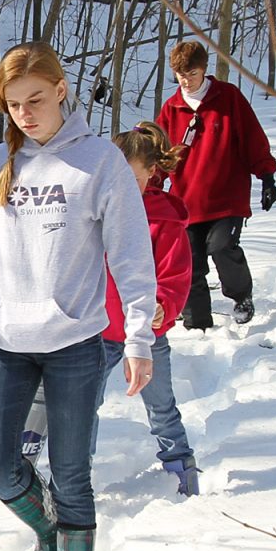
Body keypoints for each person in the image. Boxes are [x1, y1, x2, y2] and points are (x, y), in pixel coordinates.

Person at [0, 41, 158, 551]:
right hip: (6, 341)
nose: (25, 115)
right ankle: (51, 539)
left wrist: (140, 335)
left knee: (70, 473)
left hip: (75, 343)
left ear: (62, 90)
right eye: (13, 106)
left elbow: (131, 258)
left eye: (35, 100)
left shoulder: (99, 164)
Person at [155, 40, 276, 329]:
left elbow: (253, 140)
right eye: (180, 75)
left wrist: (267, 177)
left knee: (222, 247)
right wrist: (150, 187)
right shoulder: (171, 108)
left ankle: (241, 296)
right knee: (190, 261)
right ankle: (196, 322)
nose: (186, 81)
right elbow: (159, 156)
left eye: (192, 74)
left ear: (204, 70)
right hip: (186, 201)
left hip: (227, 198)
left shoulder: (228, 98)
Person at [107, 123, 198, 494]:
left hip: (147, 333)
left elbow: (175, 274)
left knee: (161, 406)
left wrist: (161, 305)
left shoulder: (164, 220)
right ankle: (70, 468)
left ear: (151, 172)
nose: (123, 185)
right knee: (78, 406)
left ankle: (180, 464)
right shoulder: (98, 212)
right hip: (100, 329)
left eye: (132, 176)